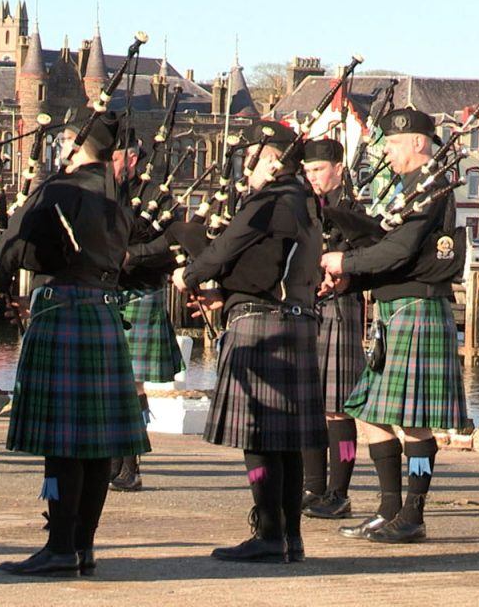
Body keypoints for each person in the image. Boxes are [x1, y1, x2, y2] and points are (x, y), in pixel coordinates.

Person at [0, 111, 149, 577]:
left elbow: (12, 245)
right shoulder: (117, 201)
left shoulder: (60, 188)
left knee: (61, 446)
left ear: (76, 148)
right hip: (101, 312)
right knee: (97, 447)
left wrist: (1, 279)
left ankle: (59, 545)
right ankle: (83, 546)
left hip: (61, 312)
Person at [173, 120, 326, 564]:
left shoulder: (271, 200)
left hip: (264, 324)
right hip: (295, 318)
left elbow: (226, 247)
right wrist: (227, 288)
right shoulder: (305, 201)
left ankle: (269, 533)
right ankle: (290, 538)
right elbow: (264, 261)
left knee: (257, 438)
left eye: (253, 160)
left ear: (271, 159)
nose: (247, 169)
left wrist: (191, 274)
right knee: (287, 441)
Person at [321, 107, 470, 544]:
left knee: (416, 424)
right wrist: (352, 273)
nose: (387, 150)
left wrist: (345, 261)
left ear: (419, 142)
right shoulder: (405, 187)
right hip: (394, 310)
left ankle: (414, 513)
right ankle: (388, 508)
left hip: (419, 308)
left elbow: (401, 249)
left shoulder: (433, 185)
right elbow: (383, 243)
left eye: (393, 143)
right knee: (371, 416)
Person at [110, 134, 185, 491]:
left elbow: (176, 241)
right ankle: (112, 457)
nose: (113, 165)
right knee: (108, 382)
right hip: (103, 293)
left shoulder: (158, 196)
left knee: (130, 382)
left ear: (133, 158)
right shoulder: (98, 192)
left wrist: (133, 256)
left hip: (141, 290)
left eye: (118, 157)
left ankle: (131, 461)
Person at [299, 139, 366, 519]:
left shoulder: (353, 210)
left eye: (319, 170)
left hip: (339, 307)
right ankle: (313, 488)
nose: (313, 178)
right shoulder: (305, 208)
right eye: (307, 171)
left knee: (338, 409)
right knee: (310, 405)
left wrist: (342, 279)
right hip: (306, 305)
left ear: (339, 168)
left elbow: (364, 258)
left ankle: (338, 492)